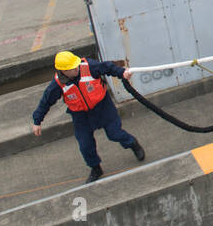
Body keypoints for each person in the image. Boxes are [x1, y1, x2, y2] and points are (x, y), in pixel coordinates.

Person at [32, 51, 145, 184]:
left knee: (115, 133)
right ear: (63, 71)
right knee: (85, 145)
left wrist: (122, 72)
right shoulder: (57, 85)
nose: (76, 68)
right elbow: (46, 101)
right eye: (72, 68)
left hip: (103, 107)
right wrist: (37, 121)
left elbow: (107, 67)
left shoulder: (89, 67)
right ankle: (95, 168)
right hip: (81, 115)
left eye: (76, 65)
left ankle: (132, 143)